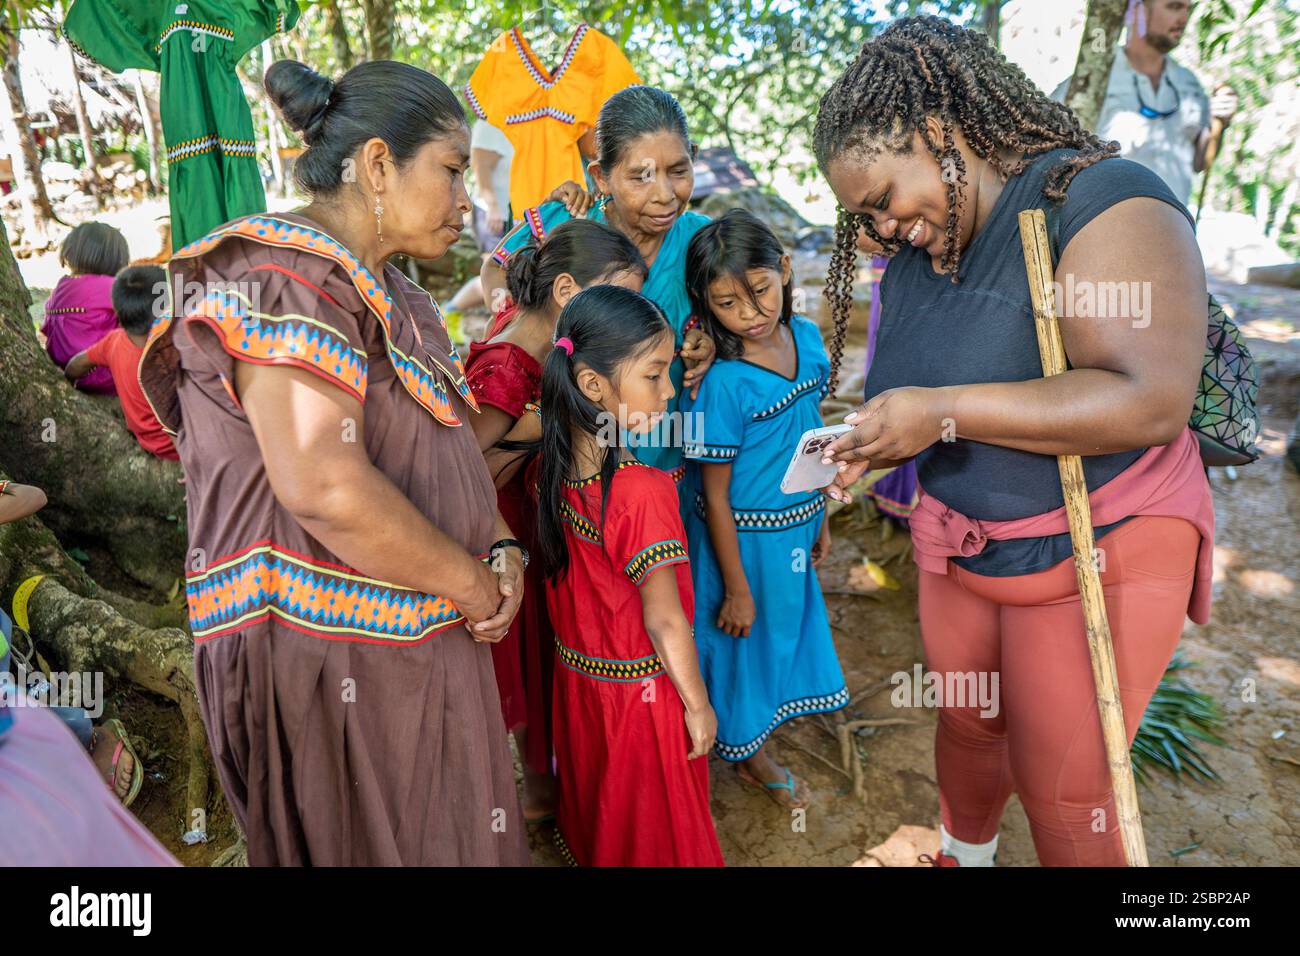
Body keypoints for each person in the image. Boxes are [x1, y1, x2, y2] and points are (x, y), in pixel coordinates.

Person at [814, 16, 1214, 867]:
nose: (884, 231)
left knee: (1063, 784)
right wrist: (878, 437)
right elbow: (919, 396)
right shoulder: (924, 250)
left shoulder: (1103, 201)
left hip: (1099, 541)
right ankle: (967, 854)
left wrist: (945, 410)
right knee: (966, 720)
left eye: (885, 200)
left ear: (940, 132)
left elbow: (1147, 400)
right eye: (866, 220)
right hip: (959, 545)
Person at [138, 59, 531, 866]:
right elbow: (323, 483)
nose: (468, 201)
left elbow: (444, 443)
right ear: (379, 164)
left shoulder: (396, 296)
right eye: (454, 171)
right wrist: (469, 582)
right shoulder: (279, 278)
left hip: (418, 633)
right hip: (329, 660)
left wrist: (500, 547)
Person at [464, 218, 648, 824]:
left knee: (543, 654)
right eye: (613, 296)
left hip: (537, 526)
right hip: (504, 532)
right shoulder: (508, 368)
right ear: (567, 292)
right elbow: (465, 475)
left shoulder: (552, 355)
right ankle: (522, 789)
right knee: (518, 660)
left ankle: (549, 777)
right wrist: (539, 429)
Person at [535, 284, 723, 866]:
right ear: (593, 385)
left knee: (607, 811)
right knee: (655, 826)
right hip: (641, 703)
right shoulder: (639, 489)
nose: (669, 391)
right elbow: (665, 618)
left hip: (583, 688)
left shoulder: (551, 469)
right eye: (654, 375)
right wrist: (696, 704)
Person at [680, 209, 847, 808]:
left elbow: (812, 436)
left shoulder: (805, 339)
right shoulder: (723, 385)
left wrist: (820, 514)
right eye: (728, 304)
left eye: (760, 292)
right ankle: (746, 752)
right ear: (705, 303)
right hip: (743, 545)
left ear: (783, 269)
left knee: (783, 633)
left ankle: (755, 733)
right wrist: (737, 587)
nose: (750, 314)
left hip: (796, 531)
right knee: (740, 640)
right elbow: (716, 497)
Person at [481, 85, 717, 487]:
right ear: (601, 177)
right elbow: (496, 272)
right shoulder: (565, 219)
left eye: (678, 171)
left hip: (659, 450)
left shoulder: (701, 240)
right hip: (561, 449)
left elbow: (723, 312)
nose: (665, 194)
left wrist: (706, 340)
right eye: (640, 176)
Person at [1050, 0, 1238, 208]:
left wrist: (1220, 121)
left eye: (1188, 9)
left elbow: (1200, 162)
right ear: (1137, 9)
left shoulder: (1188, 84)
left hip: (1173, 229)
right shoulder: (1095, 76)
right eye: (1174, 7)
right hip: (1104, 225)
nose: (1184, 18)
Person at [64, 265, 178, 461]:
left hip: (146, 440)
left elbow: (77, 364)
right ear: (166, 314)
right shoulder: (168, 359)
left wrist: (68, 380)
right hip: (175, 448)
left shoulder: (114, 341)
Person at [42, 222, 129, 396]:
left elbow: (47, 329)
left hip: (70, 373)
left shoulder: (60, 288)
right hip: (107, 376)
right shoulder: (112, 287)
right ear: (117, 258)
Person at [446, 119, 515, 315]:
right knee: (496, 274)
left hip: (509, 213)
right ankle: (452, 311)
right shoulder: (489, 125)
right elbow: (480, 166)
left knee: (508, 275)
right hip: (491, 213)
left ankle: (452, 310)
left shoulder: (514, 123)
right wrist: (493, 206)